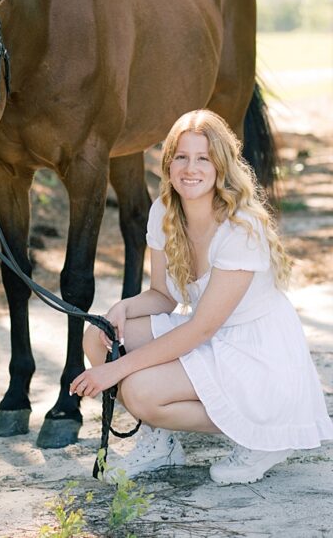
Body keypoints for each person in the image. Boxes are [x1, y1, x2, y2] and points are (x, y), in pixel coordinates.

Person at [71, 109, 332, 485]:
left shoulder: (241, 227)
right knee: (98, 339)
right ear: (168, 162)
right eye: (181, 156)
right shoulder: (164, 210)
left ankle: (264, 434)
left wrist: (116, 370)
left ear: (220, 165)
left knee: (141, 391)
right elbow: (163, 296)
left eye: (202, 158)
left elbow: (200, 329)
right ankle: (161, 442)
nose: (190, 168)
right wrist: (122, 309)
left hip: (255, 350)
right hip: (211, 336)